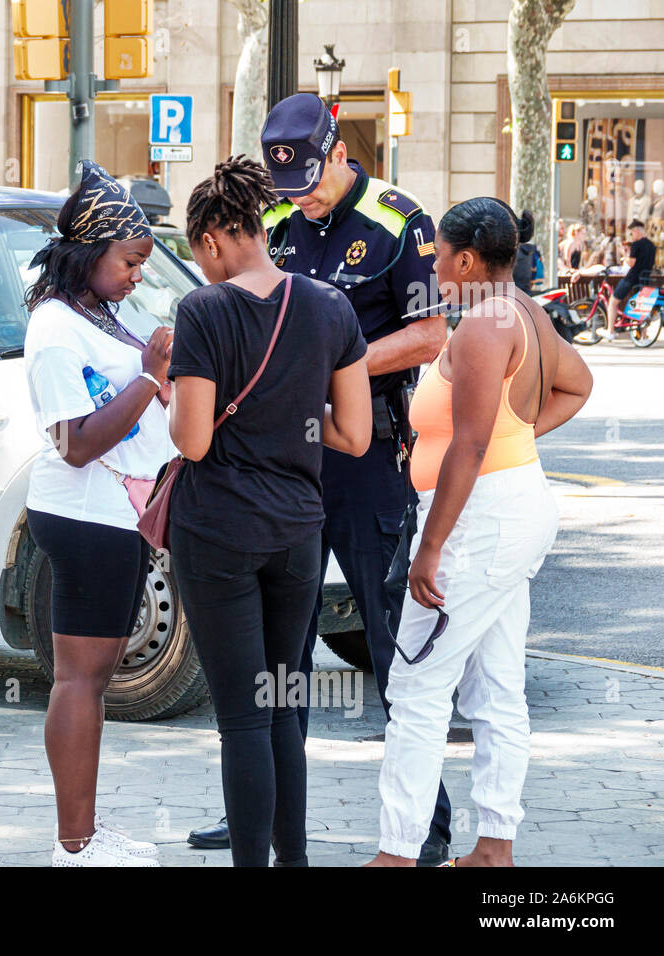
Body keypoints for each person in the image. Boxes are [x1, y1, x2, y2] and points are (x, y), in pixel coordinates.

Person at [187, 93, 455, 865]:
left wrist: (331, 368)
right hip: (284, 468)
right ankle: (261, 815)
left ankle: (424, 822)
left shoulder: (400, 221)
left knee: (387, 641)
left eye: (310, 177)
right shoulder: (266, 224)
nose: (301, 195)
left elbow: (431, 334)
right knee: (282, 659)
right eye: (287, 185)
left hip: (366, 455)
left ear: (340, 150)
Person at [367, 198, 592, 867]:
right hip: (511, 509)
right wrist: (515, 439)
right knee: (494, 687)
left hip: (481, 521)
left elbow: (466, 446)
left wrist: (429, 549)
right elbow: (577, 386)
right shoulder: (523, 310)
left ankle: (397, 853)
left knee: (416, 685)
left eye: (438, 253)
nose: (433, 265)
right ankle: (494, 847)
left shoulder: (484, 326)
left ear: (466, 259)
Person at [168, 156, 372, 867]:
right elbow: (353, 434)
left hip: (218, 534)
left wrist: (177, 398)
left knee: (242, 721)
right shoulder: (330, 306)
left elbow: (192, 441)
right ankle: (295, 864)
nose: (203, 268)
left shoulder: (203, 311)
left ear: (215, 237)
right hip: (298, 537)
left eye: (200, 254)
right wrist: (292, 410)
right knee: (285, 702)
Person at [23, 160, 173, 867]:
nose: (138, 274)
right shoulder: (55, 328)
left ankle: (83, 829)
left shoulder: (95, 314)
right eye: (130, 261)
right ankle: (74, 844)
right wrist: (148, 376)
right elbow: (75, 442)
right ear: (91, 251)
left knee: (96, 676)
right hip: (85, 513)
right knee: (79, 678)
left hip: (115, 515)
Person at [607, 220, 657, 337]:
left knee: (613, 302)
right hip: (644, 280)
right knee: (642, 308)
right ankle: (644, 335)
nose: (632, 236)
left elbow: (631, 263)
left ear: (636, 231)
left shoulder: (636, 244)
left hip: (631, 278)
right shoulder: (652, 246)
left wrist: (624, 254)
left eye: (632, 233)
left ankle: (610, 331)